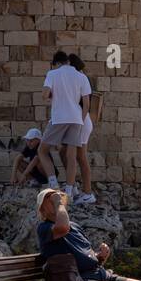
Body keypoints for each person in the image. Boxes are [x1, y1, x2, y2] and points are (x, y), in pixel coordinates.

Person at [37, 50, 90, 198]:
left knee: (42, 150)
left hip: (59, 118)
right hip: (77, 119)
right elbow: (86, 103)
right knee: (71, 157)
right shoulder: (81, 76)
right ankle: (69, 191)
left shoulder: (53, 74)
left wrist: (52, 95)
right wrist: (81, 119)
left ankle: (53, 184)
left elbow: (44, 95)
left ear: (57, 63)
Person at [67, 54, 96, 207]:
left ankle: (87, 193)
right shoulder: (80, 77)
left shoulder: (79, 78)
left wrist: (80, 120)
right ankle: (77, 189)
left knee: (81, 157)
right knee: (71, 154)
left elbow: (85, 103)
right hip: (81, 121)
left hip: (82, 122)